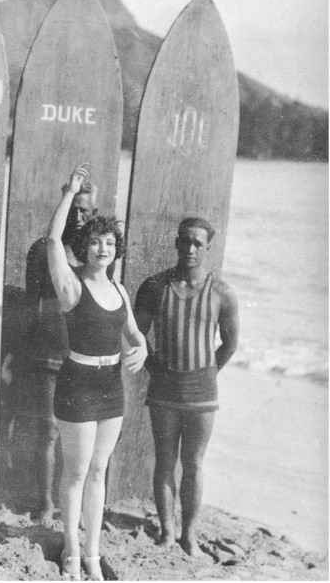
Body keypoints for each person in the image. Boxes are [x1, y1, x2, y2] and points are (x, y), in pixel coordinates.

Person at [47, 164, 147, 580]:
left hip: (111, 388)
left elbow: (134, 333)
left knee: (99, 471)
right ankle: (71, 552)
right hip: (78, 384)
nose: (103, 249)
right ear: (84, 247)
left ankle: (92, 553)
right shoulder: (72, 286)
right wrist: (70, 192)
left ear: (115, 249)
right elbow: (53, 240)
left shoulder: (120, 289)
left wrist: (141, 348)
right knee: (76, 472)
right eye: (95, 242)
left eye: (110, 243)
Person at [134, 217, 239, 555]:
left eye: (197, 243)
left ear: (208, 247)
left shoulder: (222, 292)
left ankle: (189, 534)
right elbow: (136, 335)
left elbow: (230, 344)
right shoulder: (154, 286)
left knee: (193, 462)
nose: (190, 249)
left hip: (201, 391)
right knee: (165, 459)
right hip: (164, 387)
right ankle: (167, 531)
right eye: (184, 241)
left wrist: (206, 373)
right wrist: (154, 367)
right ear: (176, 243)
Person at [5, 182, 98, 523]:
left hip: (83, 354)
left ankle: (70, 503)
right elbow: (30, 304)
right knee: (47, 429)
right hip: (45, 350)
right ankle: (44, 503)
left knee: (80, 434)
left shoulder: (98, 253)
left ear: (94, 214)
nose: (78, 216)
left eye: (85, 211)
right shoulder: (40, 251)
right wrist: (16, 353)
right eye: (73, 208)